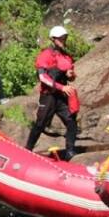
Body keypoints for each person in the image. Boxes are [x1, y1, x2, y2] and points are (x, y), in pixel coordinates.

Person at [25, 25, 79, 161]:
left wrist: (70, 75)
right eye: (60, 38)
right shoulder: (45, 55)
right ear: (53, 39)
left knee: (71, 122)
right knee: (40, 124)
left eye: (64, 38)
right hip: (49, 96)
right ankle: (27, 149)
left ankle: (70, 151)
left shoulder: (67, 56)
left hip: (61, 97)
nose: (63, 40)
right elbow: (43, 77)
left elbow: (71, 76)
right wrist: (61, 87)